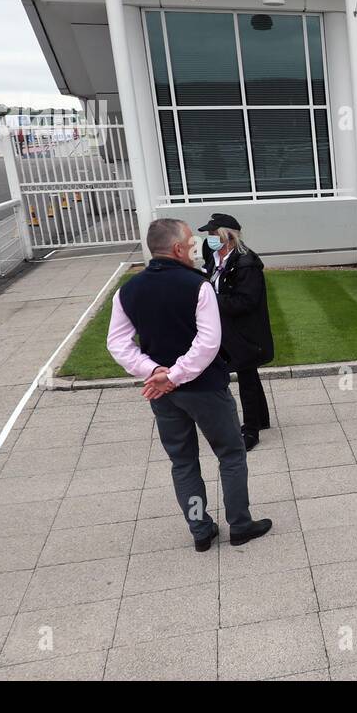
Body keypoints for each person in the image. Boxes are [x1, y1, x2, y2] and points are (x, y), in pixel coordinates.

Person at [107, 218, 271, 552]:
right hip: (204, 388)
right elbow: (209, 342)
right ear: (178, 248)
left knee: (183, 462)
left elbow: (118, 345)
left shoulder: (129, 290)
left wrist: (156, 372)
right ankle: (239, 524)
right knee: (231, 454)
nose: (197, 246)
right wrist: (172, 374)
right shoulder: (198, 285)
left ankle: (200, 527)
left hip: (164, 394)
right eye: (190, 242)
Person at [198, 213, 273, 451]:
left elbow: (246, 301)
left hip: (244, 330)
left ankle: (251, 431)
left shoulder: (246, 263)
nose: (209, 238)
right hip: (224, 326)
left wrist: (210, 300)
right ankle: (260, 419)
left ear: (226, 236)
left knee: (246, 377)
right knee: (248, 373)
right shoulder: (213, 254)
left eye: (212, 234)